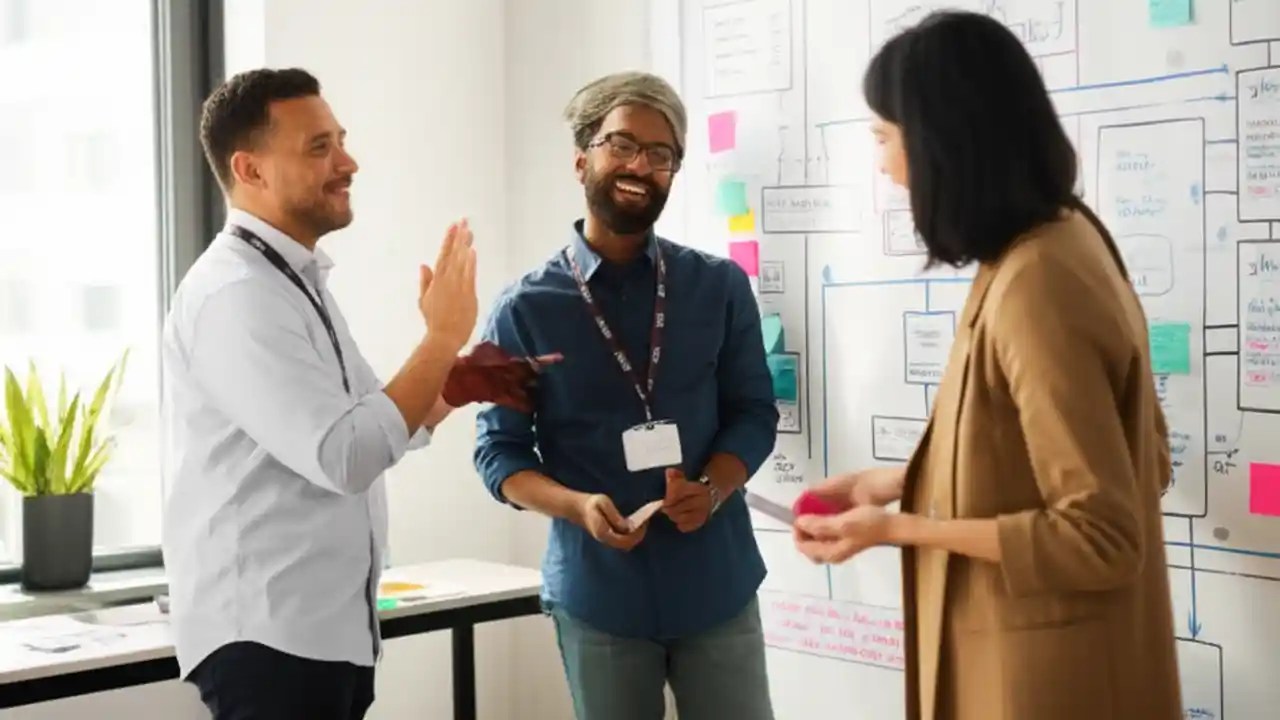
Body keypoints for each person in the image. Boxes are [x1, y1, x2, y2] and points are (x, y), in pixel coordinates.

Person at [790, 11, 1182, 720]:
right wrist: (893, 483)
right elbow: (1127, 458)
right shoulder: (1062, 240)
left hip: (1043, 684)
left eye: (884, 136)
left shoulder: (1038, 282)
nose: (882, 164)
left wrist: (899, 527)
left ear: (943, 142)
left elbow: (1102, 534)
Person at [160, 68, 535, 720]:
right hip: (270, 639)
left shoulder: (290, 282)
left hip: (321, 636)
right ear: (250, 170)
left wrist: (454, 383)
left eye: (340, 140)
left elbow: (379, 423)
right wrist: (441, 338)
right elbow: (346, 456)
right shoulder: (236, 296)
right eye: (319, 148)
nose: (348, 162)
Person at [473, 71, 779, 720]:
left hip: (716, 582)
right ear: (582, 157)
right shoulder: (521, 308)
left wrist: (716, 487)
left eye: (661, 154)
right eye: (622, 145)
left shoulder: (718, 287)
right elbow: (499, 456)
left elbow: (753, 413)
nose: (641, 165)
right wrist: (578, 506)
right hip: (598, 595)